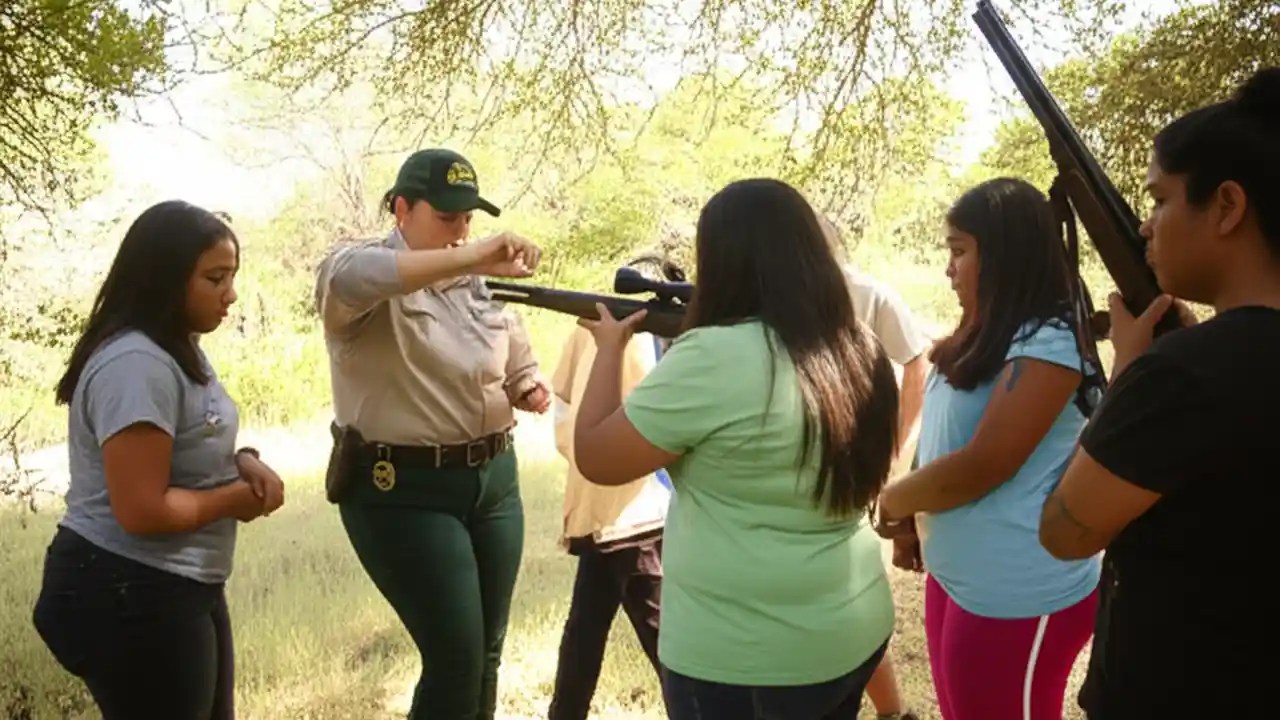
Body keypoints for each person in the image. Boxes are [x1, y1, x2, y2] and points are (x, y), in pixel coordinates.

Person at [572, 178, 901, 719]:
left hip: (744, 660)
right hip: (853, 630)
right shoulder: (856, 344)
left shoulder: (713, 356)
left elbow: (596, 456)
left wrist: (609, 349)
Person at [1038, 67, 1279, 719]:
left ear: (1227, 206)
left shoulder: (1178, 376)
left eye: (1159, 199)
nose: (1145, 226)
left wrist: (1128, 374)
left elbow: (1062, 531)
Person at [313, 147, 550, 720]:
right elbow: (351, 279)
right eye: (446, 217)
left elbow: (506, 346)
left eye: (469, 218)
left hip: (494, 480)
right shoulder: (359, 271)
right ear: (401, 210)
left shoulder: (473, 281)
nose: (462, 231)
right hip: (405, 491)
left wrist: (526, 385)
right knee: (455, 658)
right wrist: (470, 255)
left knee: (487, 654)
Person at [31, 200, 286, 720]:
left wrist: (244, 461)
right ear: (166, 279)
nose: (231, 294)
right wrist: (235, 500)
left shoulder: (174, 347)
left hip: (173, 583)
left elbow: (184, 446)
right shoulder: (137, 364)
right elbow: (142, 509)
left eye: (231, 276)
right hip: (128, 588)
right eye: (215, 278)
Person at [875, 177, 1105, 720]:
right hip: (963, 578)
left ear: (1004, 255)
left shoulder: (1049, 341)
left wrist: (894, 500)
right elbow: (943, 437)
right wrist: (914, 523)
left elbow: (985, 464)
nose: (949, 269)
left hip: (1019, 591)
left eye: (960, 251)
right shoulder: (986, 329)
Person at [546, 254, 684, 720]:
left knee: (583, 638)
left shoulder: (592, 331)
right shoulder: (650, 343)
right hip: (639, 514)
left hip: (600, 507)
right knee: (672, 652)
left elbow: (564, 420)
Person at [820, 214, 932, 720]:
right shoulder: (774, 294)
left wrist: (893, 445)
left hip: (852, 464)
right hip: (804, 462)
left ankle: (893, 711)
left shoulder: (868, 294)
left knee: (851, 593)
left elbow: (916, 360)